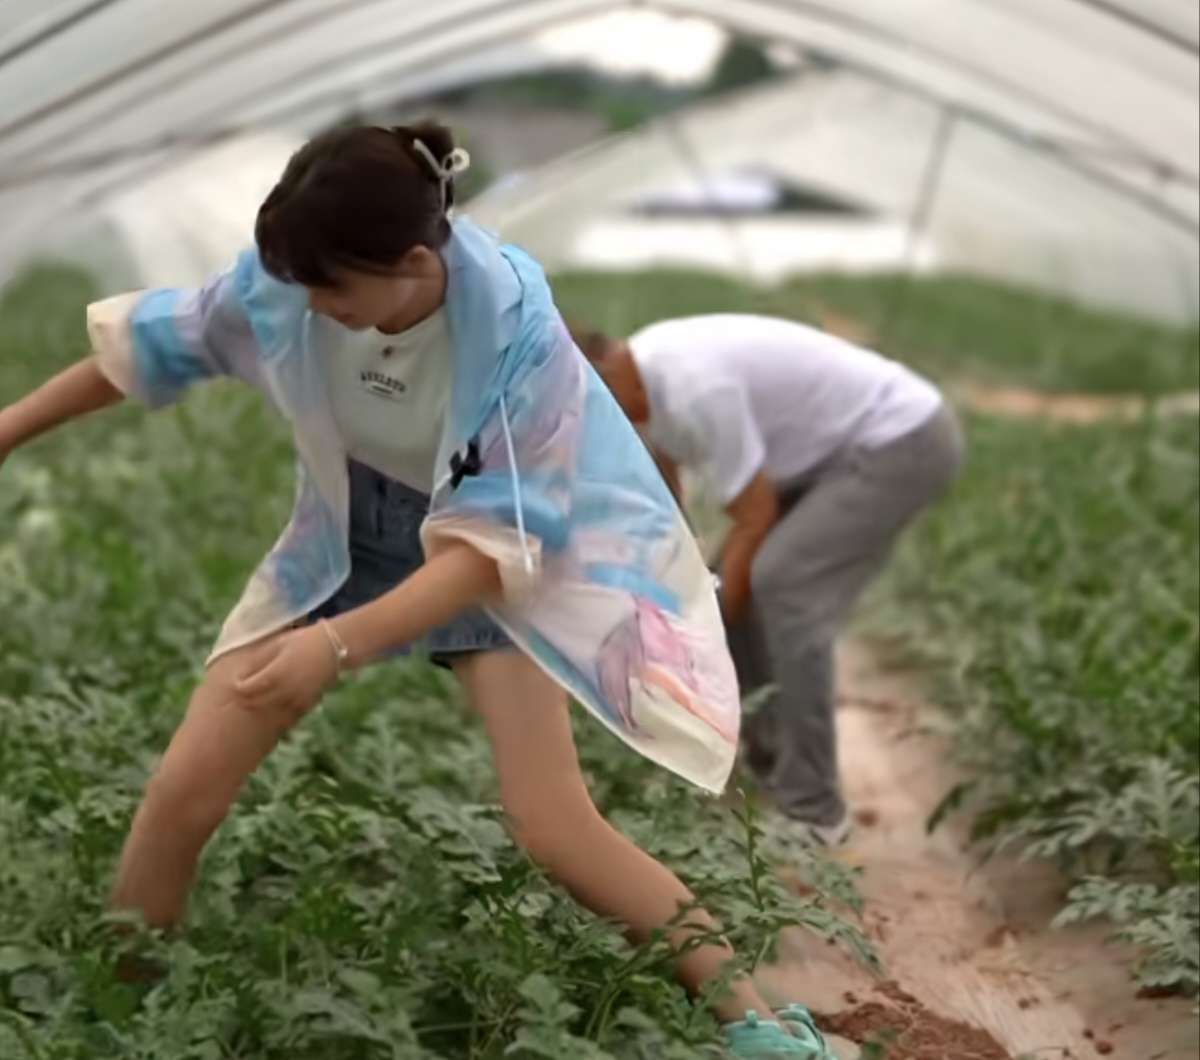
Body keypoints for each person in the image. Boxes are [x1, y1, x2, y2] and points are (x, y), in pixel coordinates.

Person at [0, 123, 838, 1058]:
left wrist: (335, 645)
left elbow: (487, 556)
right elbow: (154, 347)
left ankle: (759, 1027)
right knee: (183, 790)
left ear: (407, 262)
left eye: (332, 292)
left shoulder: (514, 327)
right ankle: (128, 1015)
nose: (309, 310)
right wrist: (5, 429)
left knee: (554, 825)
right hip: (347, 537)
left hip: (492, 561)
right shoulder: (293, 278)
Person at [574, 314, 964, 845]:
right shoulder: (638, 374)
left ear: (607, 376)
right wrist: (679, 577)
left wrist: (711, 610)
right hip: (824, 459)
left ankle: (815, 810)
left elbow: (755, 512)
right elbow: (663, 488)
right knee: (723, 585)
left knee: (781, 586)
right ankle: (769, 759)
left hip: (900, 440)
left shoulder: (693, 387)